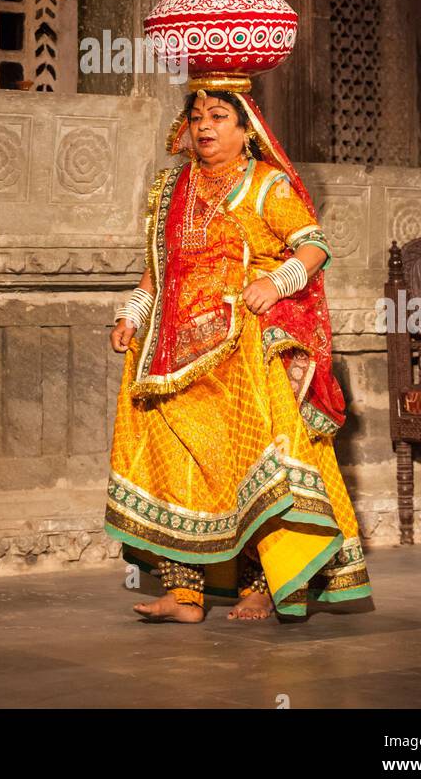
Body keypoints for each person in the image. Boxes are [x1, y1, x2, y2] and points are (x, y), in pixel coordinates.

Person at [104, 78, 373, 623]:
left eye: (219, 116)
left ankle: (259, 584)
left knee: (244, 463)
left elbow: (315, 246)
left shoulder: (266, 186)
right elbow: (157, 273)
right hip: (167, 351)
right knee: (171, 462)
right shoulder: (169, 188)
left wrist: (275, 285)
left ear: (247, 130)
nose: (204, 125)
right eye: (198, 115)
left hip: (238, 347)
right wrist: (130, 316)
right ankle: (183, 595)